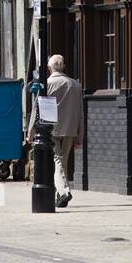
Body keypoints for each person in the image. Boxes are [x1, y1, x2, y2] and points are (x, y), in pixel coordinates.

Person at [25, 54, 83, 209]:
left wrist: (30, 131)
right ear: (63, 67)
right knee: (62, 161)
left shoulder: (47, 84)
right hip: (70, 129)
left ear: (50, 68)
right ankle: (60, 195)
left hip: (52, 128)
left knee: (57, 160)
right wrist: (80, 136)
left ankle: (64, 192)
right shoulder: (75, 85)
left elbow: (37, 108)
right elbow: (80, 112)